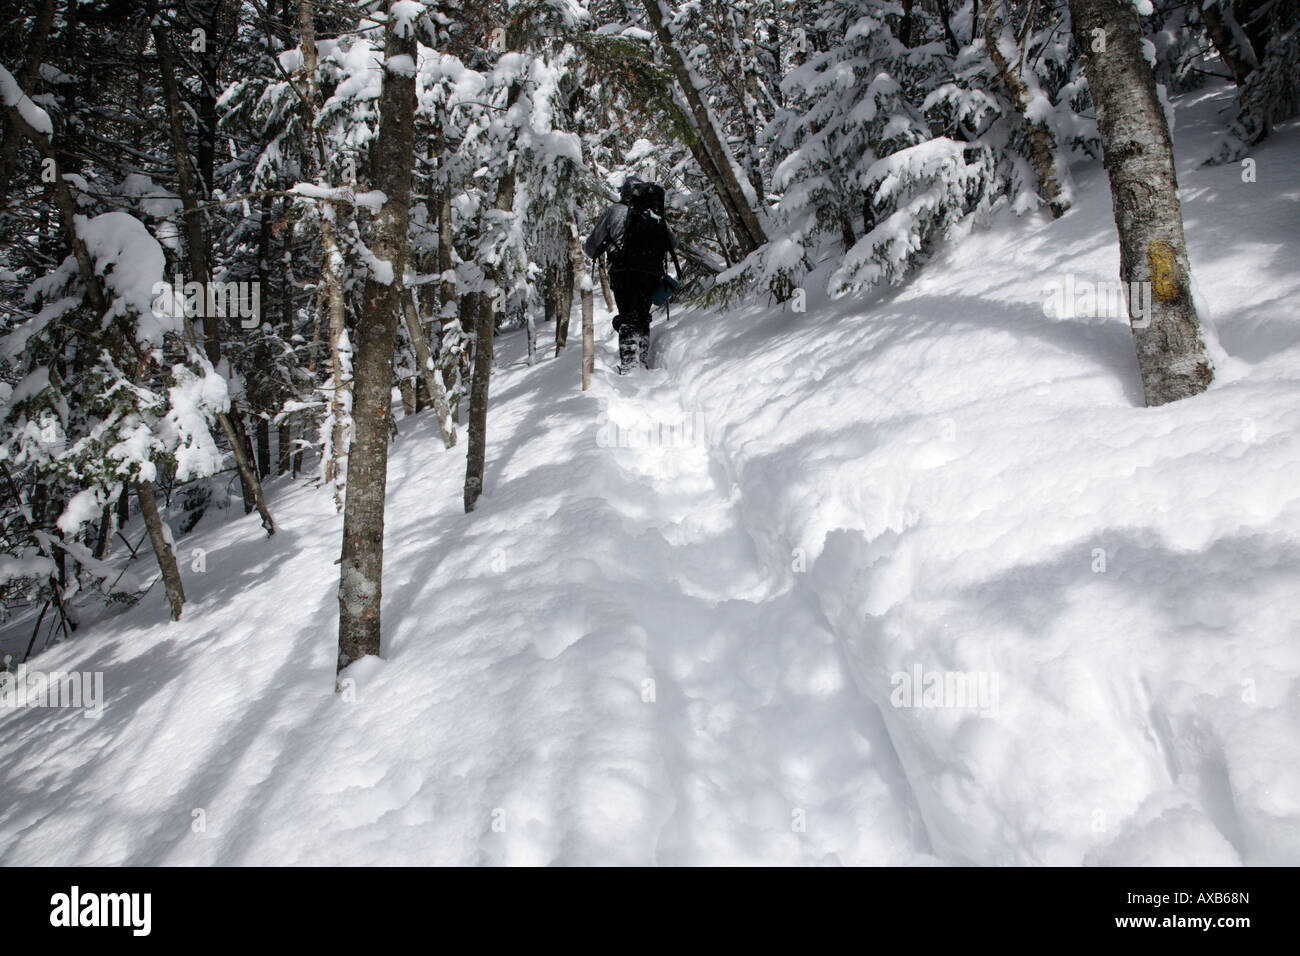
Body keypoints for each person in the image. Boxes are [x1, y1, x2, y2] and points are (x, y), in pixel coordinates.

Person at [583, 175, 680, 372]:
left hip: (623, 272)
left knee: (628, 317)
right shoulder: (653, 212)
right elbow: (674, 242)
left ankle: (629, 366)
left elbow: (591, 247)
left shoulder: (614, 211)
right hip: (651, 273)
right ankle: (642, 363)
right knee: (642, 317)